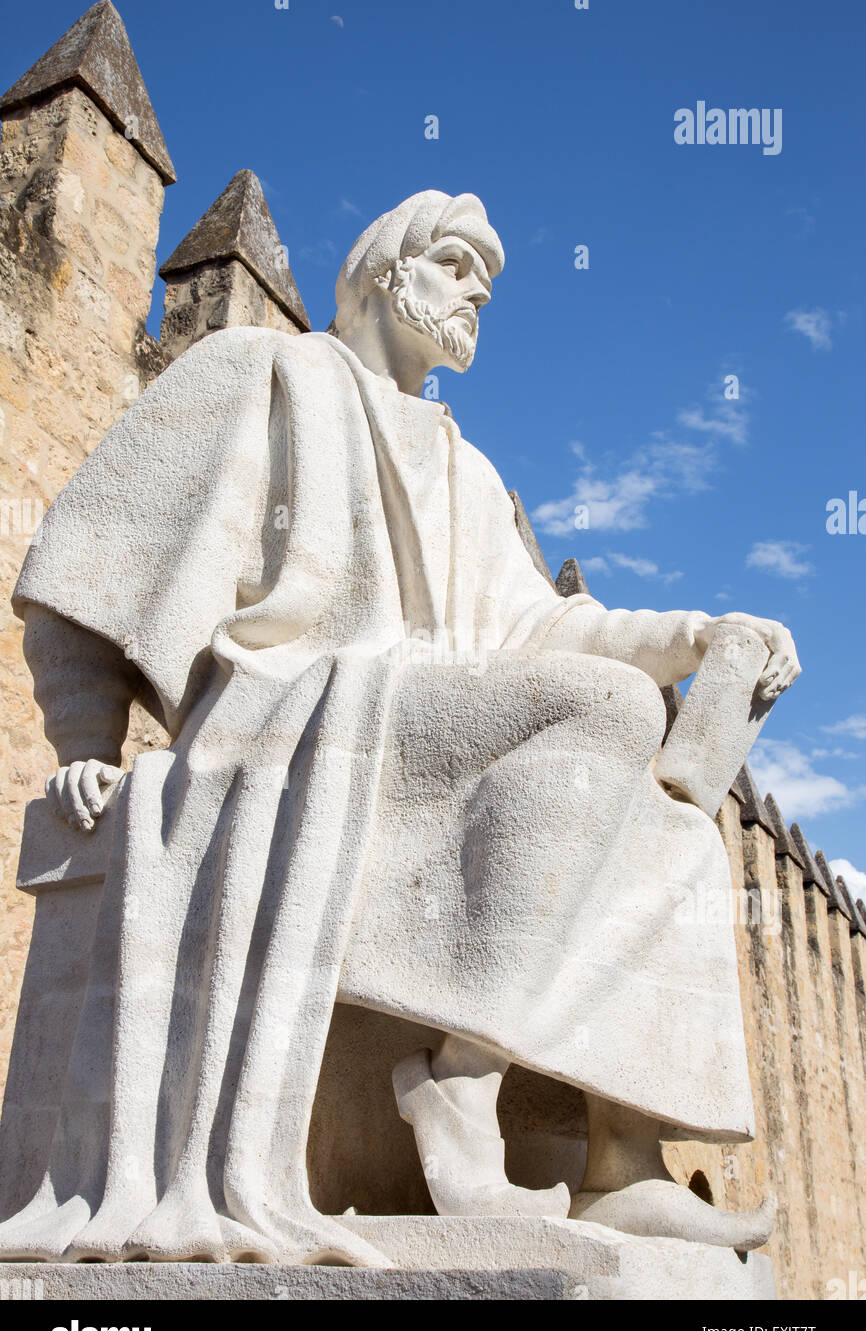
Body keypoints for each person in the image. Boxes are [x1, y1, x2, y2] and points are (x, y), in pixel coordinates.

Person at [0, 191, 799, 1265]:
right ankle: (459, 1088)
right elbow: (94, 554)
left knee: (674, 831)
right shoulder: (262, 372)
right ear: (384, 268)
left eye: (487, 278)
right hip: (301, 709)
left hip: (425, 718)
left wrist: (698, 635)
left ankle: (621, 1158)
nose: (477, 290)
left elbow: (544, 623)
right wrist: (86, 746)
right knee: (608, 706)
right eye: (459, 263)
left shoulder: (465, 470)